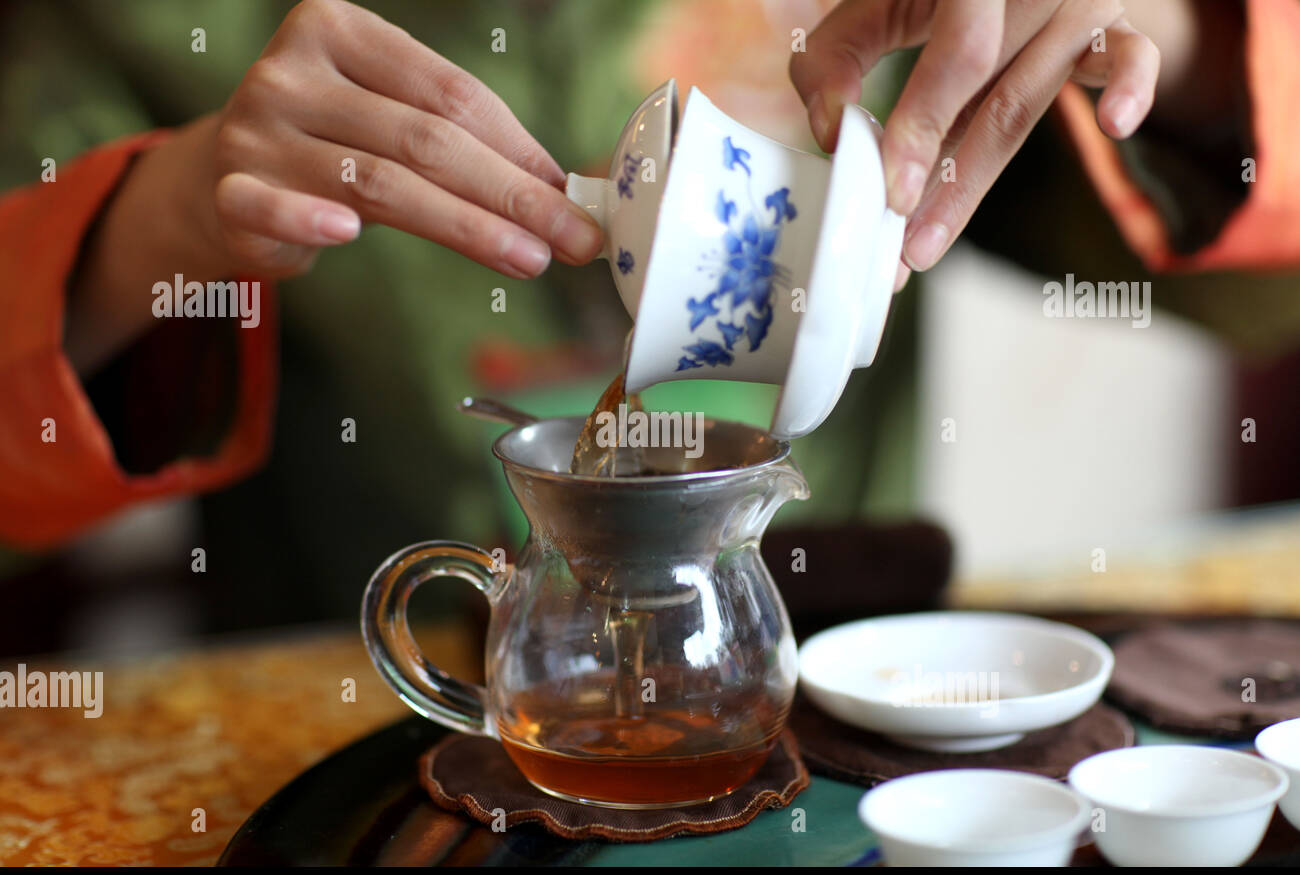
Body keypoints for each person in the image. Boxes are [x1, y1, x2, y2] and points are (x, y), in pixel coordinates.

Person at [0, 0, 1291, 636]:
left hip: (812, 673)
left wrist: (1174, 39)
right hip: (379, 721)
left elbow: (1262, 288)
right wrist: (157, 221)